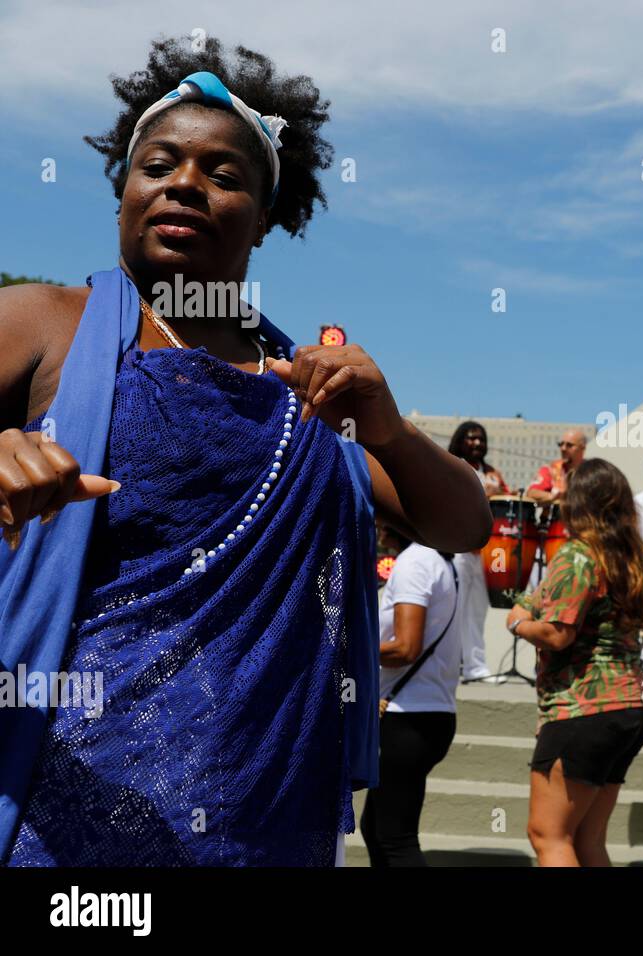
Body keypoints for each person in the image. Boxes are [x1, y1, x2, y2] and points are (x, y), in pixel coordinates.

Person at [0, 39, 491, 866]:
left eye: (224, 175)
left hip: (264, 816)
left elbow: (463, 522)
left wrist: (390, 429)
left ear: (266, 218)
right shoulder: (44, 321)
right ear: (124, 189)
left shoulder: (304, 390)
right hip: (71, 807)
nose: (185, 183)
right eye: (158, 165)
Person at [506, 459, 643, 866]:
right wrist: (528, 606)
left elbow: (557, 634)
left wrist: (519, 625)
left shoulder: (577, 556)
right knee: (588, 840)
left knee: (548, 836)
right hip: (630, 708)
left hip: (583, 708)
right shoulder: (632, 557)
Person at [361, 524, 463, 867]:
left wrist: (346, 650)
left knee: (395, 839)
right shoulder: (437, 560)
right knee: (376, 829)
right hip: (424, 715)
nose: (376, 522)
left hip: (409, 718)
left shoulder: (415, 561)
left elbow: (406, 647)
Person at [447, 420, 508, 681]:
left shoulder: (492, 472)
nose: (476, 443)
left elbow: (505, 501)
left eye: (481, 439)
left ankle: (475, 667)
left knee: (477, 611)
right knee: (453, 608)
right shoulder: (451, 465)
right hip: (456, 548)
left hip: (483, 552)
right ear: (461, 440)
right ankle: (453, 666)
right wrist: (485, 491)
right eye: (471, 438)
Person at [526, 428, 586, 508]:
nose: (563, 448)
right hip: (556, 518)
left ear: (582, 448)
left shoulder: (592, 471)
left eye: (569, 445)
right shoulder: (551, 468)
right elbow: (531, 492)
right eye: (561, 444)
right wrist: (552, 496)